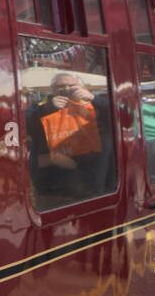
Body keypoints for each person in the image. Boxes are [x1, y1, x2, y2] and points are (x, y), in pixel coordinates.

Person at [27, 72, 109, 200]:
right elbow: (24, 125)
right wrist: (49, 108)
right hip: (51, 179)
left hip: (88, 177)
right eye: (60, 86)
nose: (66, 89)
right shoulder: (40, 106)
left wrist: (93, 98)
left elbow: (123, 117)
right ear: (52, 89)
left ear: (81, 87)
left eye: (71, 85)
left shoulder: (93, 104)